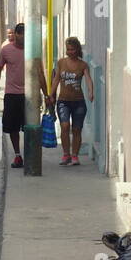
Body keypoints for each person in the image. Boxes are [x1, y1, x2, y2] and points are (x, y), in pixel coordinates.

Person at [49, 35, 95, 165]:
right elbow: (56, 79)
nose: (70, 52)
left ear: (77, 49)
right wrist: (51, 95)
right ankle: (66, 154)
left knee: (76, 129)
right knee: (65, 126)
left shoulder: (83, 65)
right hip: (63, 101)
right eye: (68, 49)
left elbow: (88, 79)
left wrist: (91, 92)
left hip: (78, 102)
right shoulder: (61, 63)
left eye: (72, 49)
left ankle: (74, 155)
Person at [0, 22, 27, 168]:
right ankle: (18, 155)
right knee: (13, 128)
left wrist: (46, 94)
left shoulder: (32, 50)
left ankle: (29, 153)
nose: (23, 37)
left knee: (30, 126)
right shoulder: (6, 50)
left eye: (25, 35)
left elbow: (40, 72)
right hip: (11, 94)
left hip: (28, 95)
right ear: (16, 35)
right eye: (21, 34)